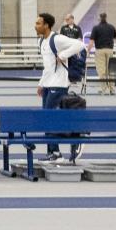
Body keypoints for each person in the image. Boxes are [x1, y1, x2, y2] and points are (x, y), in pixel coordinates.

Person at [36, 11, 86, 164]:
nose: (35, 26)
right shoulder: (42, 42)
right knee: (47, 119)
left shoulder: (56, 39)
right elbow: (47, 67)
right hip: (48, 85)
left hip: (58, 85)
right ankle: (53, 151)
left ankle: (58, 151)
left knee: (50, 118)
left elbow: (80, 45)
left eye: (38, 23)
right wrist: (41, 83)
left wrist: (63, 55)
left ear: (46, 25)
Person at [91, 11, 116, 95]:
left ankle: (104, 89)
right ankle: (112, 89)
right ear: (106, 18)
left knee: (101, 70)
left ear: (99, 18)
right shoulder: (111, 27)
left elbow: (91, 41)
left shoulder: (96, 28)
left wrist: (87, 50)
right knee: (110, 70)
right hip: (110, 50)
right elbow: (115, 37)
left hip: (100, 51)